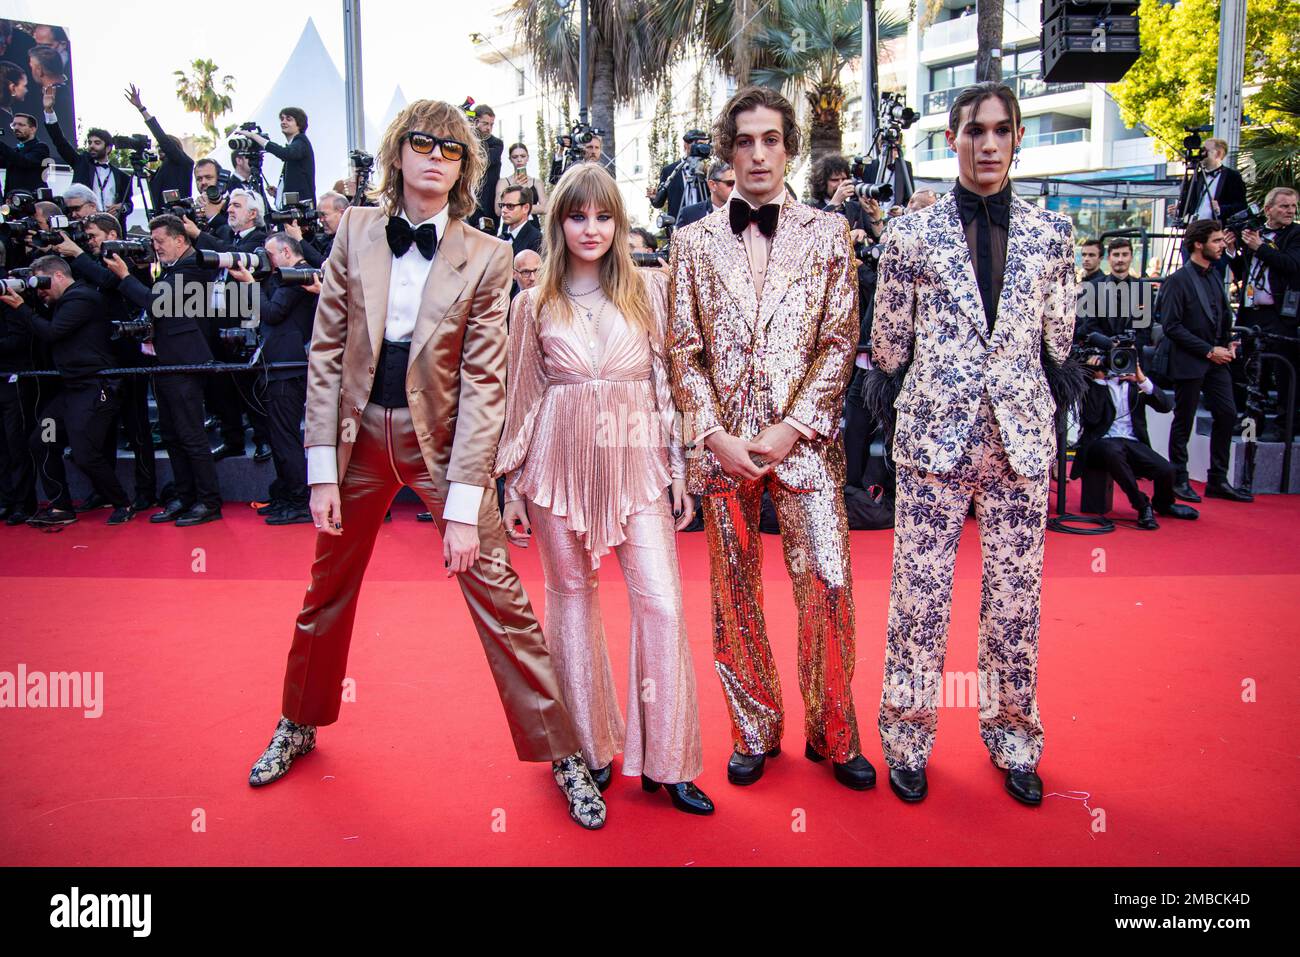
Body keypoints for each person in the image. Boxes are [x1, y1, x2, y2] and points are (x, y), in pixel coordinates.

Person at [245, 99, 606, 831]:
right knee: (327, 585)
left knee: (499, 593)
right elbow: (325, 349)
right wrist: (321, 467)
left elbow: (485, 382)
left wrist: (467, 498)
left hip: (442, 444)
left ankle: (562, 750)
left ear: (465, 166)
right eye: (422, 142)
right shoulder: (353, 230)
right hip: (354, 442)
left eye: (451, 147)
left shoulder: (489, 254)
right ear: (398, 152)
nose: (436, 155)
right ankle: (299, 720)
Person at [868, 81, 1083, 806]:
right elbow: (888, 345)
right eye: (973, 131)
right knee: (919, 598)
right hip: (933, 438)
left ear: (1017, 137)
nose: (987, 144)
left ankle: (1014, 733)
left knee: (1016, 600)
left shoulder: (1055, 238)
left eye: (1001, 130)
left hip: (1021, 440)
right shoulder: (908, 237)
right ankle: (904, 734)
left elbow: (1060, 341)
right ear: (952, 139)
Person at [668, 86, 874, 791]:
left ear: (789, 149)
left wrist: (793, 427)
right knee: (733, 592)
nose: (758, 153)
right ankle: (753, 728)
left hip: (805, 443)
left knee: (828, 580)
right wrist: (715, 433)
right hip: (724, 446)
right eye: (745, 141)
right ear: (728, 151)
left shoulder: (828, 232)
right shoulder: (691, 242)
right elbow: (681, 351)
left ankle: (835, 729)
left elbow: (841, 339)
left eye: (771, 140)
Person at [495, 163, 712, 814]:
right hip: (555, 468)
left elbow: (666, 385)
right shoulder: (531, 304)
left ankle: (668, 758)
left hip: (638, 460)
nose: (591, 228)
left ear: (618, 223)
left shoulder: (649, 289)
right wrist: (510, 485)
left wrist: (679, 467)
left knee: (663, 602)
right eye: (577, 215)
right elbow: (522, 398)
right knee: (570, 603)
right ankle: (586, 749)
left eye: (603, 215)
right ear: (558, 222)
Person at [107, 214, 224, 526]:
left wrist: (124, 276)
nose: (155, 247)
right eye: (153, 241)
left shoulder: (193, 266)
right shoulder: (172, 268)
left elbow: (155, 302)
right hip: (168, 361)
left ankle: (209, 502)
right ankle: (186, 497)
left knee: (191, 434)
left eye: (160, 241)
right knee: (172, 434)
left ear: (180, 239)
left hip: (185, 362)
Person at [0, 256, 132, 524]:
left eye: (43, 284)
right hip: (70, 391)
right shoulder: (61, 302)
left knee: (84, 453)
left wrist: (22, 307)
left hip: (95, 389)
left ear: (59, 276)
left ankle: (122, 503)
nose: (41, 291)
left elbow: (52, 332)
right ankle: (61, 506)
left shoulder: (83, 298)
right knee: (41, 441)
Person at [1158, 218, 1253, 503]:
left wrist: (1229, 342)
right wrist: (1208, 350)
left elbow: (1221, 315)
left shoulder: (1214, 275)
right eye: (1216, 241)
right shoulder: (1177, 281)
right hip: (1190, 359)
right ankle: (1178, 479)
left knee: (1226, 413)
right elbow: (1171, 326)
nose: (1222, 245)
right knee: (1183, 421)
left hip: (1217, 359)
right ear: (1199, 244)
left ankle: (1217, 479)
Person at [227, 233, 316, 525]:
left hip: (290, 367)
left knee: (285, 436)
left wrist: (251, 286)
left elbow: (272, 313)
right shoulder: (282, 277)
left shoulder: (299, 275)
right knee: (279, 435)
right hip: (278, 365)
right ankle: (287, 495)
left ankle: (299, 499)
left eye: (270, 254)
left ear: (287, 252)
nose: (266, 259)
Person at [1072, 357, 1198, 528]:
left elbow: (1166, 406)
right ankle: (1142, 505)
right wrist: (1099, 381)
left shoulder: (1135, 385)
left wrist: (1142, 380)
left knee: (1166, 469)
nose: (1120, 361)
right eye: (1116, 356)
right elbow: (1091, 419)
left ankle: (1164, 504)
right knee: (1113, 452)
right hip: (1101, 441)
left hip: (1131, 441)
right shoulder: (1093, 382)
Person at [1223, 186, 1300, 439]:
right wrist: (1233, 249)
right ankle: (1251, 423)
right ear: (1268, 209)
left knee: (1283, 371)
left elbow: (1291, 265)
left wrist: (1260, 247)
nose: (1290, 210)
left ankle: (1284, 426)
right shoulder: (1254, 233)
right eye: (1284, 206)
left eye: (1293, 206)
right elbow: (1243, 270)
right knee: (1253, 370)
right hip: (1251, 311)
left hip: (1280, 314)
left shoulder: (1296, 234)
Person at [42, 87, 132, 223]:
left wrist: (122, 207)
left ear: (108, 148)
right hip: (83, 223)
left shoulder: (122, 176)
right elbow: (60, 142)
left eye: (97, 143)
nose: (91, 146)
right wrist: (49, 111)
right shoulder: (81, 163)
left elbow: (129, 204)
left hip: (111, 225)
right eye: (90, 142)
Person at [123, 85, 194, 212]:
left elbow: (162, 138)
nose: (161, 150)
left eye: (164, 148)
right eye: (159, 148)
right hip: (160, 217)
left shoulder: (183, 162)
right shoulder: (162, 169)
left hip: (178, 217)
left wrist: (141, 109)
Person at [242, 107, 316, 205]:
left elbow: (284, 153)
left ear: (299, 124)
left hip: (302, 212)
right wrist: (279, 193)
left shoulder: (301, 142)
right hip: (295, 208)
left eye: (288, 119)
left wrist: (254, 136)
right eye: (282, 119)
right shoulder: (297, 144)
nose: (283, 122)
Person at [1178, 137, 1247, 225]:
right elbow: (1189, 201)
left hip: (1216, 229)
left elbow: (1241, 206)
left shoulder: (1232, 176)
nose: (1201, 154)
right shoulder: (1198, 175)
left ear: (1218, 154)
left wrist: (1220, 209)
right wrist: (1178, 210)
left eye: (1205, 151)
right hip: (1195, 226)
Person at [649, 131, 707, 220]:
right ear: (686, 145)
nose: (702, 148)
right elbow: (659, 203)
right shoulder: (670, 170)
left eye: (704, 145)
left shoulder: (708, 170)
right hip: (679, 223)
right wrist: (654, 198)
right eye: (699, 144)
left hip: (702, 223)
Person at [471, 103, 503, 233]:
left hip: (488, 205)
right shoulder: (465, 141)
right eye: (485, 124)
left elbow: (483, 160)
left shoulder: (496, 143)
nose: (488, 128)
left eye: (491, 124)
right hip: (468, 202)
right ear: (475, 122)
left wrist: (474, 137)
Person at [0, 112, 49, 194]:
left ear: (33, 129)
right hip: (12, 200)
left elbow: (24, 161)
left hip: (32, 200)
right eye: (14, 125)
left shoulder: (41, 147)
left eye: (21, 125)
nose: (16, 128)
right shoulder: (16, 150)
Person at [494, 142, 547, 217]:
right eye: (515, 157)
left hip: (532, 225)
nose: (519, 160)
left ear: (527, 158)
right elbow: (498, 211)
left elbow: (545, 208)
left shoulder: (537, 182)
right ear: (510, 159)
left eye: (523, 156)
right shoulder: (503, 182)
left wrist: (515, 208)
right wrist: (513, 188)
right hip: (511, 224)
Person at [675, 162, 735, 229]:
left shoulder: (746, 213)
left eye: (737, 183)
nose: (735, 187)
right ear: (712, 185)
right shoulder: (688, 215)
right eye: (730, 183)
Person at [496, 184, 542, 255]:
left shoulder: (537, 240)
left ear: (525, 208)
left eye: (510, 206)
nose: (503, 210)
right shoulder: (499, 239)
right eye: (502, 205)